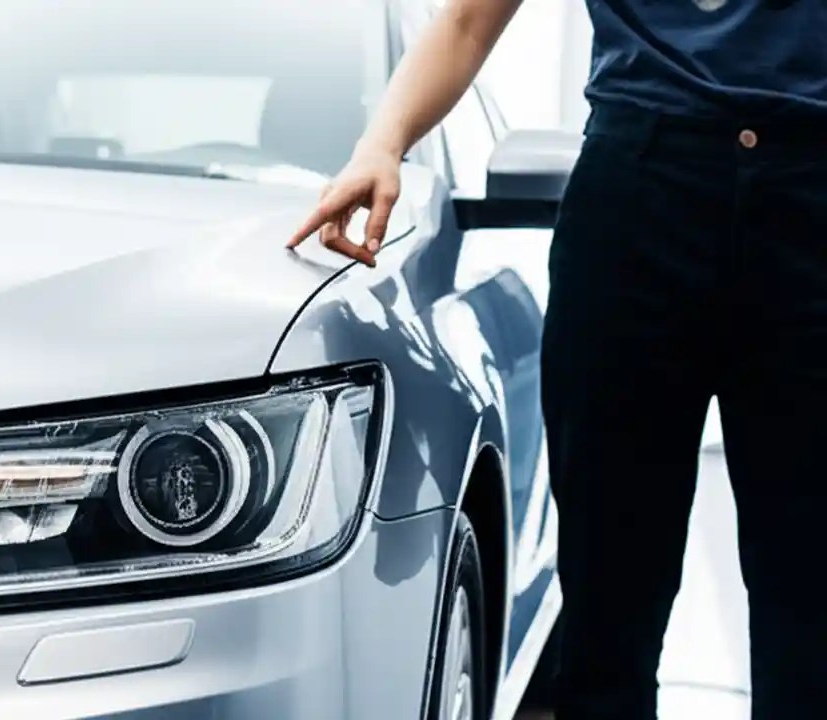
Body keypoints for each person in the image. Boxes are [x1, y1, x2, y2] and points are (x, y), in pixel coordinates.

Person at [287, 1, 826, 718]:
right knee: (607, 614)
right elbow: (468, 20)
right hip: (638, 199)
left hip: (813, 198)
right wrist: (381, 144)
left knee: (812, 614)